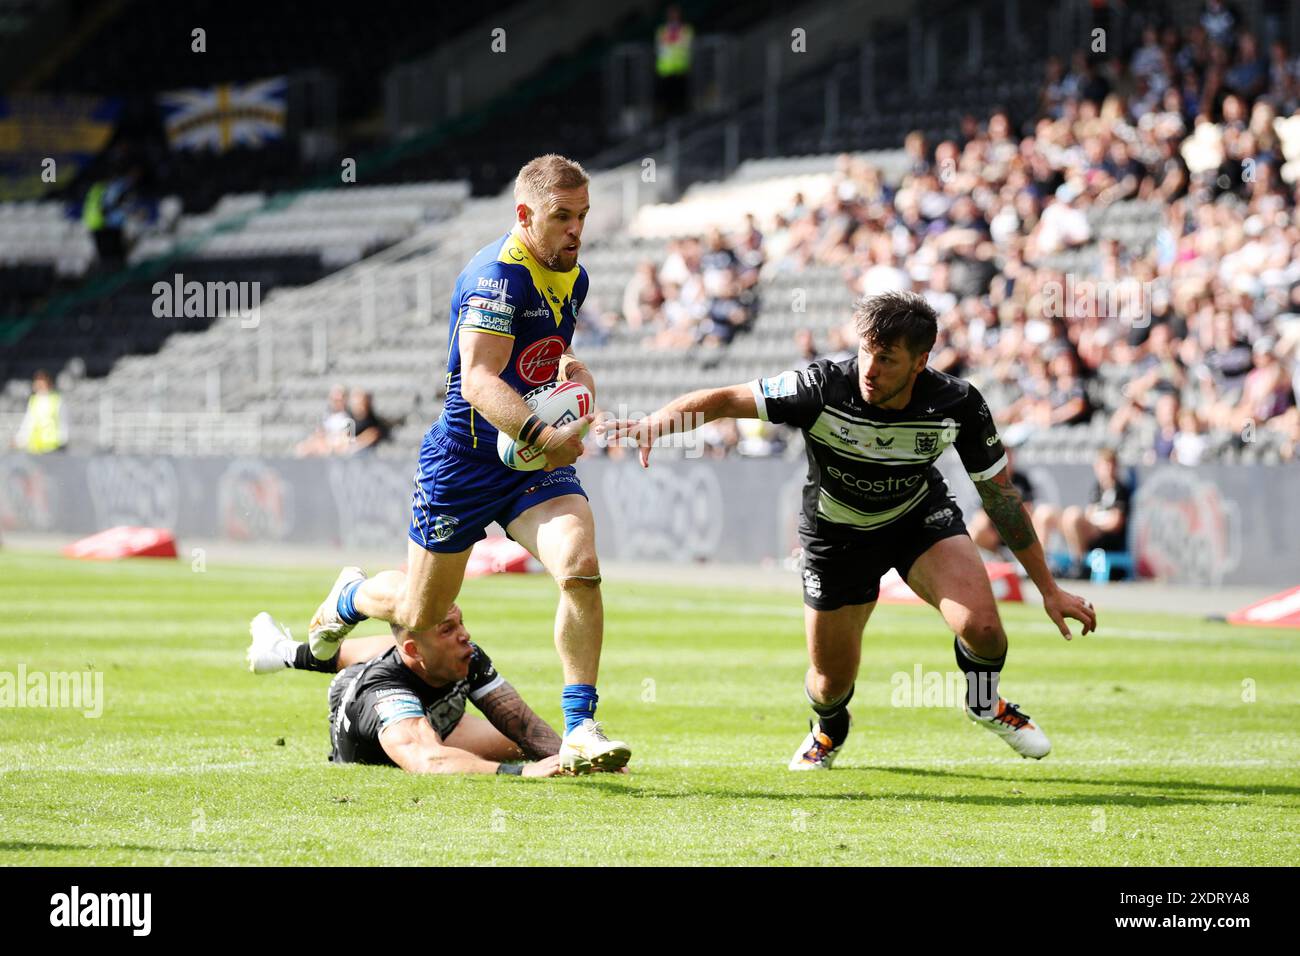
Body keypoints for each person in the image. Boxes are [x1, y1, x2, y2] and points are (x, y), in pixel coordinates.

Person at [603, 291, 1096, 768]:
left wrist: (1048, 589)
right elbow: (725, 400)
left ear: (920, 361)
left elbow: (1001, 497)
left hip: (916, 521)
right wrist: (657, 424)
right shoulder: (820, 387)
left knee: (984, 629)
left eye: (886, 359)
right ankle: (829, 728)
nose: (870, 369)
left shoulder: (957, 404)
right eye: (865, 352)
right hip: (836, 537)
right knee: (829, 682)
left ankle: (985, 703)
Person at [305, 154, 630, 774]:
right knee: (419, 617)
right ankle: (350, 596)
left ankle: (581, 725)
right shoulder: (496, 277)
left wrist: (573, 377)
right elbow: (480, 380)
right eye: (562, 216)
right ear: (524, 214)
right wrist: (545, 432)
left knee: (581, 567)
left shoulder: (573, 274)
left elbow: (538, 364)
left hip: (528, 461)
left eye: (582, 216)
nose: (575, 230)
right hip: (463, 462)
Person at [245, 606, 575, 777]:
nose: (465, 635)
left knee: (525, 744)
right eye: (449, 629)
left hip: (441, 719)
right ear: (417, 651)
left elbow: (520, 722)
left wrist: (575, 757)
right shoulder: (383, 692)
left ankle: (282, 652)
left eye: (460, 623)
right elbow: (428, 760)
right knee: (386, 652)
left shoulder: (464, 653)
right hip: (380, 711)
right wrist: (522, 772)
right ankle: (288, 648)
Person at [1037, 447, 1133, 577]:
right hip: (1087, 530)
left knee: (1073, 516)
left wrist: (1094, 522)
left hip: (1104, 539)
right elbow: (1090, 512)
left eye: (1110, 465)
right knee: (1045, 513)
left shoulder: (1120, 490)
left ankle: (1079, 563)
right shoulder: (1097, 489)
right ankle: (1040, 563)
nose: (1107, 470)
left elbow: (1116, 523)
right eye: (1104, 465)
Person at [13, 370, 66, 454]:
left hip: (53, 448)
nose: (39, 387)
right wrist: (20, 440)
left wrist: (63, 440)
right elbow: (28, 422)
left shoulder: (57, 400)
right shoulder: (34, 401)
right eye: (37, 384)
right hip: (36, 447)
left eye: (41, 384)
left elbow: (63, 421)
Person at [295, 384, 354, 457]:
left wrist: (329, 444)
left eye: (339, 400)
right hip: (325, 446)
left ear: (345, 400)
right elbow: (320, 433)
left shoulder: (349, 418)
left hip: (337, 450)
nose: (337, 402)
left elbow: (348, 440)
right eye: (334, 400)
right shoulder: (327, 416)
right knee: (302, 448)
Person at [347, 388, 389, 455]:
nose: (359, 407)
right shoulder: (349, 420)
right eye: (357, 403)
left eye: (361, 403)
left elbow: (373, 434)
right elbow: (345, 442)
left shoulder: (373, 421)